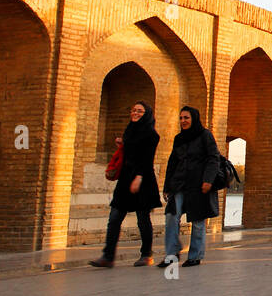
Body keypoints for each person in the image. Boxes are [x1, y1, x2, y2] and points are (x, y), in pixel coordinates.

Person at [90, 101, 162, 268]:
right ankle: (108, 256)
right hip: (125, 179)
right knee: (114, 217)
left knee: (143, 219)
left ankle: (146, 255)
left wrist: (139, 177)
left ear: (147, 114)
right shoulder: (129, 130)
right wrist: (123, 145)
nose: (135, 113)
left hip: (142, 180)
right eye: (134, 110)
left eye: (140, 111)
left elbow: (146, 159)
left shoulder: (152, 134)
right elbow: (131, 151)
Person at [159, 106, 221, 267]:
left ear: (193, 118)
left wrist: (208, 180)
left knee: (198, 220)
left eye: (186, 118)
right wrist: (167, 186)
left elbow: (213, 158)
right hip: (179, 183)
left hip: (199, 184)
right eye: (181, 118)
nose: (183, 121)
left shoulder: (204, 135)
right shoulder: (179, 138)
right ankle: (171, 253)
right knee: (172, 216)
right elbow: (173, 162)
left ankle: (195, 256)